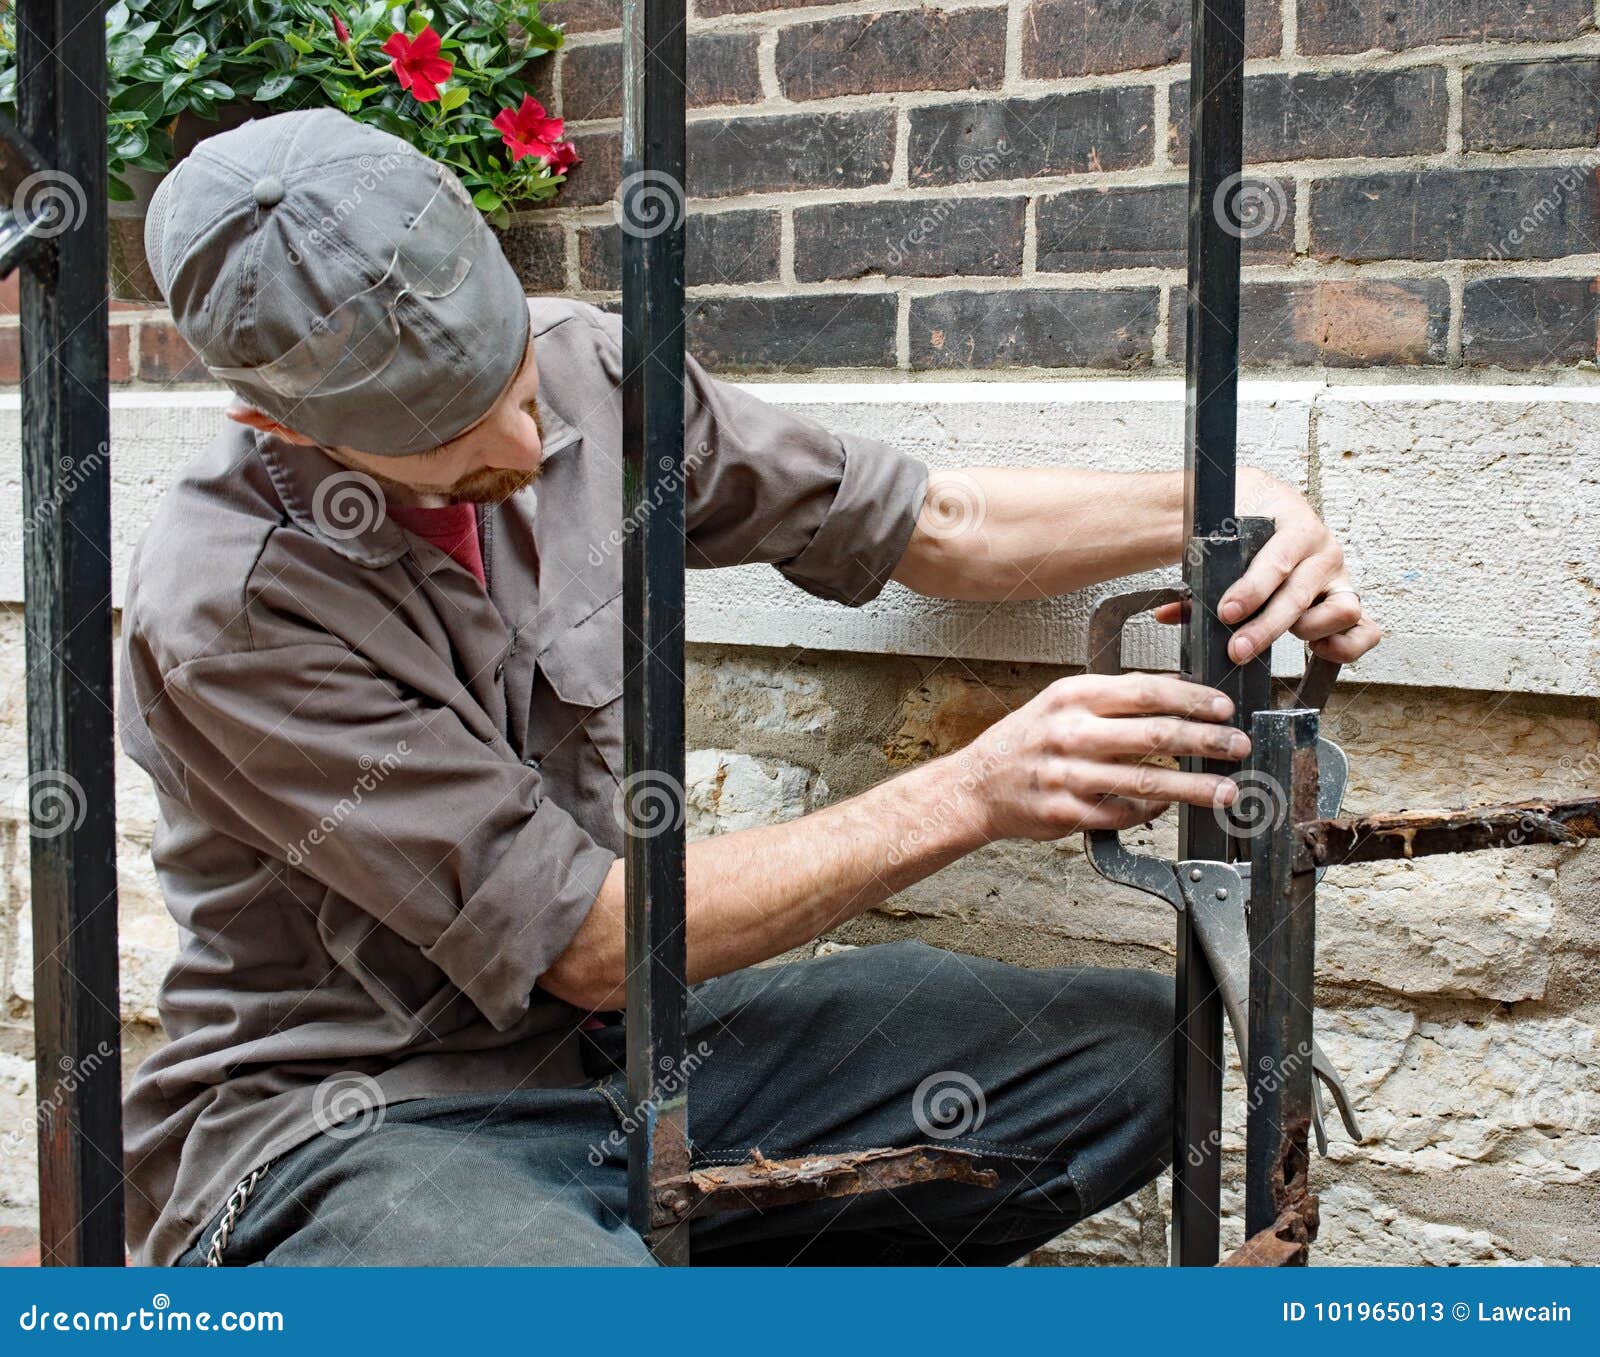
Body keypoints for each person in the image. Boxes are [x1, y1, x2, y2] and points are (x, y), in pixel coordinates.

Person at [120, 109, 1380, 1266]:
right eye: (445, 446)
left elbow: (921, 522)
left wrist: (1224, 502)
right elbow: (588, 940)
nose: (520, 446)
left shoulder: (584, 368)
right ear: (279, 426)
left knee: (1152, 1055)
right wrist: (977, 790)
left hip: (641, 1064)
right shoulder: (229, 603)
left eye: (509, 385)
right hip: (359, 1117)